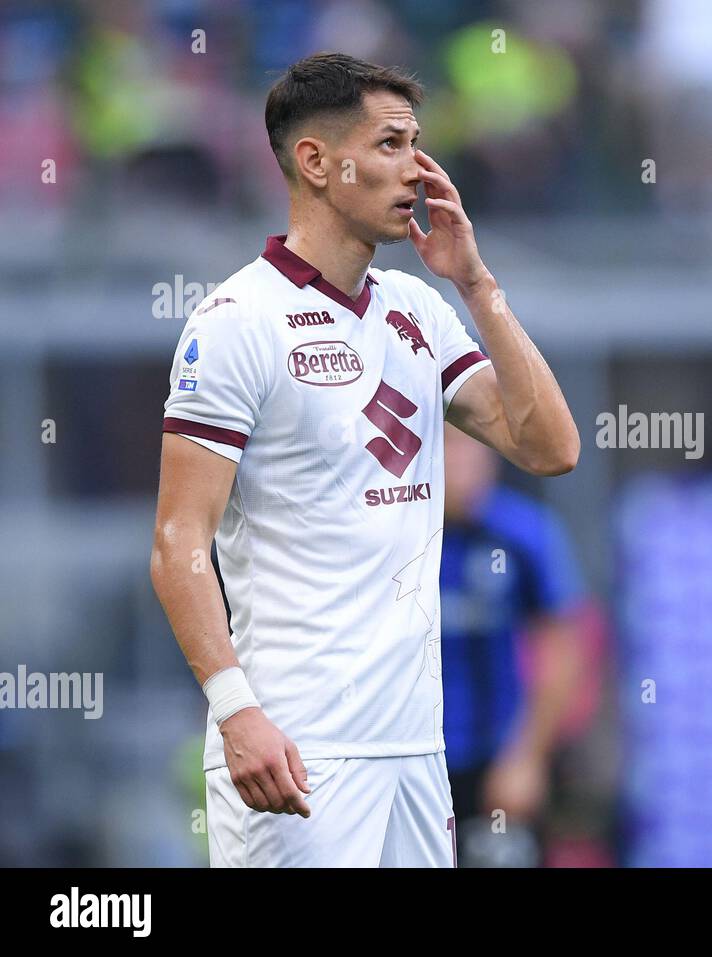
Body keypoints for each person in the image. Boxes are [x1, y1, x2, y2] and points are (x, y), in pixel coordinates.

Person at [149, 52, 579, 868]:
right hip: (297, 745)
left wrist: (477, 283)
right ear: (314, 162)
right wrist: (237, 711)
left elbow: (551, 446)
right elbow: (178, 542)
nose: (417, 168)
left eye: (418, 143)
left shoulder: (417, 309)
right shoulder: (238, 320)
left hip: (417, 748)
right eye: (389, 144)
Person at [439, 425, 585, 866]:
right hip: (409, 758)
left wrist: (527, 758)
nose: (464, 460)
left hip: (495, 761)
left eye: (474, 446)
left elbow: (562, 650)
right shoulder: (390, 537)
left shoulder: (522, 534)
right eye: (449, 445)